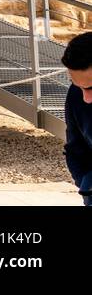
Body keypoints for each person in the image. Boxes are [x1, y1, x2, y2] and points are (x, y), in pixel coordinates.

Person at [61, 32, 92, 205]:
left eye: (90, 88)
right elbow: (75, 148)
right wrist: (85, 180)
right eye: (78, 85)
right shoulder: (76, 96)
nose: (85, 99)